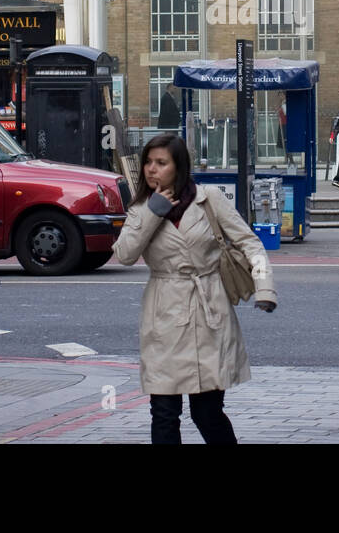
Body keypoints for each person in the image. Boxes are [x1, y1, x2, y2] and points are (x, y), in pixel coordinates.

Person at [113, 133, 276, 444]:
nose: (151, 169)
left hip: (209, 311)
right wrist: (153, 212)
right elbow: (124, 255)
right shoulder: (140, 209)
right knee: (163, 413)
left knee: (207, 412)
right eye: (148, 162)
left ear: (179, 167)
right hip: (163, 315)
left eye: (161, 163)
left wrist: (265, 288)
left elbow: (250, 243)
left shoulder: (208, 198)